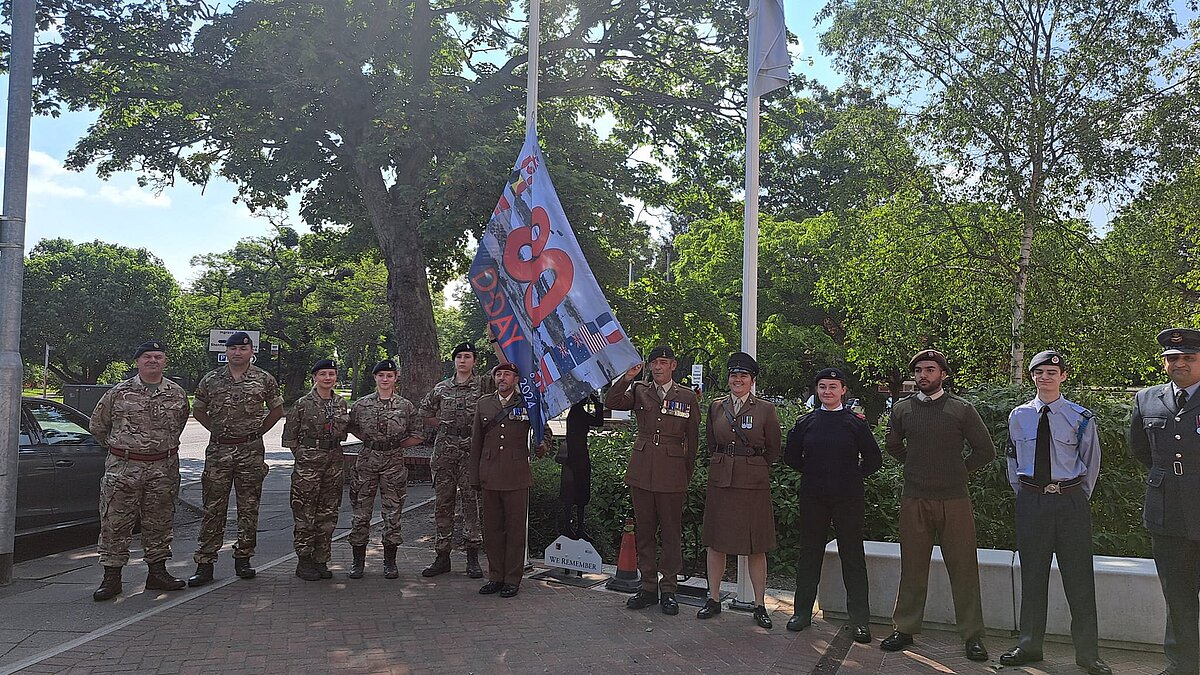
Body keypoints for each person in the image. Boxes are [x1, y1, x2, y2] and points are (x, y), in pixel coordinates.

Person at [999, 350, 1110, 674]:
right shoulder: (1018, 415)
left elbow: (1091, 462)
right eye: (1040, 372)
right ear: (1032, 376)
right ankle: (1029, 644)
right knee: (1032, 576)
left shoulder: (1080, 417)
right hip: (1032, 503)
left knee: (1079, 579)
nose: (1045, 377)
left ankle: (1088, 654)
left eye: (1052, 372)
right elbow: (1011, 458)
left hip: (1070, 502)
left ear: (1063, 377)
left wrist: (1074, 496)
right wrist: (1028, 494)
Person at [880, 349, 994, 662]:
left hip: (954, 500)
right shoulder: (903, 409)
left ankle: (972, 636)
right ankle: (904, 628)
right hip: (915, 498)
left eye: (930, 369)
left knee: (964, 568)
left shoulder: (961, 409)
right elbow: (892, 446)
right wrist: (914, 466)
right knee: (913, 566)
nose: (923, 376)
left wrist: (958, 471)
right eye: (918, 370)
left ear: (943, 374)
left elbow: (985, 450)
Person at [783, 367, 882, 642]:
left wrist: (851, 475)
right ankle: (801, 613)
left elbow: (874, 459)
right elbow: (790, 457)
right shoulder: (806, 422)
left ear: (843, 390)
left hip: (848, 498)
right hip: (814, 497)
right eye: (823, 386)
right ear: (817, 390)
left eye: (833, 386)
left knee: (852, 557)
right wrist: (815, 473)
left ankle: (860, 620)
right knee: (809, 555)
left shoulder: (855, 423)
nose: (827, 391)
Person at [88, 341, 191, 601]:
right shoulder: (119, 392)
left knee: (159, 522)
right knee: (115, 522)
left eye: (158, 356)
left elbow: (178, 425)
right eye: (147, 356)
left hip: (163, 468)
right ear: (138, 361)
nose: (153, 361)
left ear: (165, 361)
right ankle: (111, 578)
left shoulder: (177, 393)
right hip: (124, 468)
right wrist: (124, 450)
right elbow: (98, 426)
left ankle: (157, 573)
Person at [605, 345, 700, 616]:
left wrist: (685, 476)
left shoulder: (687, 396)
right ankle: (648, 586)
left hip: (672, 474)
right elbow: (611, 402)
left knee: (671, 533)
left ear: (673, 365)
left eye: (663, 362)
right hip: (642, 470)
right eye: (653, 363)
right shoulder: (639, 390)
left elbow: (692, 442)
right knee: (644, 532)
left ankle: (669, 588)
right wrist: (626, 378)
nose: (657, 367)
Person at [187, 331, 285, 586]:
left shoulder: (264, 379)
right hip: (219, 452)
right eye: (233, 349)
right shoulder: (211, 379)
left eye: (243, 348)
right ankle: (205, 562)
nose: (237, 353)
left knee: (248, 507)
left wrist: (258, 432)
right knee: (212, 508)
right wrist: (216, 431)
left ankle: (244, 558)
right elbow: (198, 409)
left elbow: (277, 409)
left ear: (251, 351)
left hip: (250, 452)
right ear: (227, 352)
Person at [1130, 328, 1200, 675]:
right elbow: (1141, 450)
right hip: (1167, 512)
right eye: (1174, 358)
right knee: (1178, 597)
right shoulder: (1147, 399)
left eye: (1189, 357)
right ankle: (1181, 665)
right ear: (1164, 364)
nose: (1180, 364)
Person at [695, 352, 781, 629]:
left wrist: (751, 466)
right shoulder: (716, 407)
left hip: (752, 483)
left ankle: (759, 604)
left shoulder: (765, 409)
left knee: (756, 544)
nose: (738, 380)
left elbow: (773, 448)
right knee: (716, 541)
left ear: (752, 380)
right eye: (734, 375)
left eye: (743, 376)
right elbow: (711, 442)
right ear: (728, 379)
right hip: (721, 480)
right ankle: (714, 598)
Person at [469, 362, 552, 598]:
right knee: (492, 531)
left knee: (515, 531)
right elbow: (476, 443)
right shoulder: (484, 403)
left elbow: (544, 434)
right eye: (499, 374)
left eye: (507, 374)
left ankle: (512, 579)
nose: (502, 378)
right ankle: (495, 576)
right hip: (490, 474)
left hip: (516, 476)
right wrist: (475, 476)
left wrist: (542, 446)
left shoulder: (528, 402)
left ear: (516, 379)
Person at [419, 342, 493, 578]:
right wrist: (441, 425)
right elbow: (425, 412)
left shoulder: (482, 385)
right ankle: (442, 556)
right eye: (459, 356)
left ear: (475, 361)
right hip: (445, 453)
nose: (462, 361)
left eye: (467, 356)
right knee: (443, 503)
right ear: (454, 361)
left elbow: (506, 367)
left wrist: (494, 338)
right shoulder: (441, 388)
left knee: (471, 502)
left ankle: (472, 557)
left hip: (472, 450)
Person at [346, 359, 424, 579]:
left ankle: (390, 562)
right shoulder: (362, 404)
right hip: (367, 461)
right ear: (375, 378)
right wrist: (371, 441)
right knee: (361, 512)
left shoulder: (405, 406)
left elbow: (418, 434)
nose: (385, 379)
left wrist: (396, 445)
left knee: (393, 513)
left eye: (389, 376)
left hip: (393, 463)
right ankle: (357, 561)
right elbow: (352, 426)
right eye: (381, 375)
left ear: (395, 378)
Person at [281, 359, 350, 582]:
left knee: (328, 512)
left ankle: (321, 559)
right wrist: (304, 458)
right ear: (314, 377)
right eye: (323, 374)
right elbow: (290, 438)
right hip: (308, 464)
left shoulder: (340, 403)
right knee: (305, 513)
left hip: (334, 462)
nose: (327, 378)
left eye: (331, 374)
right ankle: (304, 560)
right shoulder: (302, 403)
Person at [559, 393, 604, 540]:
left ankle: (577, 527)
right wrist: (597, 404)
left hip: (578, 457)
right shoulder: (577, 413)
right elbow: (599, 422)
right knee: (572, 494)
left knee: (579, 494)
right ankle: (568, 526)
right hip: (575, 458)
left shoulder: (577, 412)